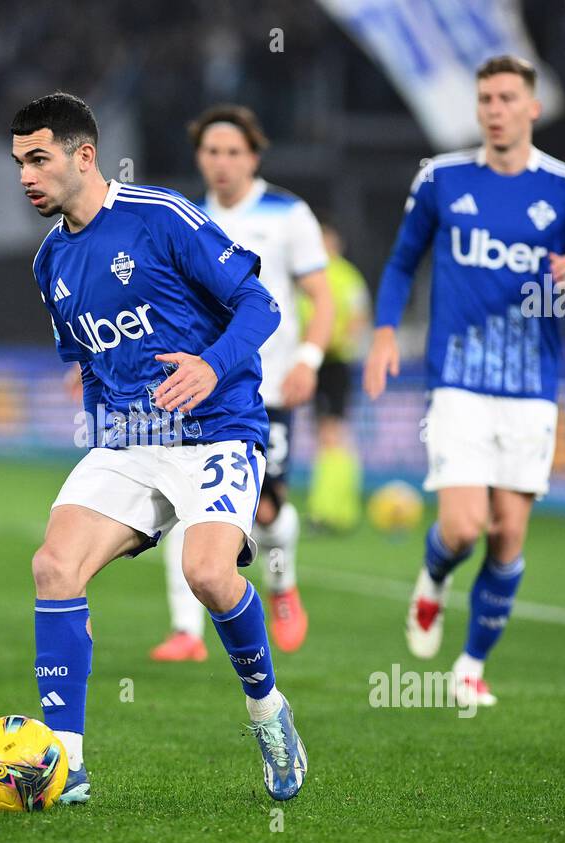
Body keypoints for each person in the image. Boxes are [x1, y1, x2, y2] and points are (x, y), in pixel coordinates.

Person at [14, 92, 307, 802]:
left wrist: (209, 365)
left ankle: (268, 712)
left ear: (84, 156)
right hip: (131, 442)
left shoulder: (160, 215)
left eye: (38, 159)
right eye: (19, 161)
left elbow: (260, 305)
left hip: (216, 429)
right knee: (54, 565)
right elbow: (88, 363)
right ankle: (66, 762)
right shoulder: (51, 262)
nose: (25, 175)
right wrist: (98, 439)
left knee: (209, 574)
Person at [364, 55, 565, 706]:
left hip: (531, 385)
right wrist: (383, 330)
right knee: (464, 527)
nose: (494, 108)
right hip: (457, 378)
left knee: (509, 534)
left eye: (508, 97)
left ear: (532, 108)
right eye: (485, 97)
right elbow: (403, 261)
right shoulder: (442, 178)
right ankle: (433, 578)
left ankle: (469, 668)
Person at [151, 104, 334, 664]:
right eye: (212, 152)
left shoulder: (288, 214)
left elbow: (320, 295)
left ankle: (280, 582)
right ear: (199, 157)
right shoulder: (185, 219)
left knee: (266, 511)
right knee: (184, 499)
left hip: (270, 386)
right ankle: (187, 630)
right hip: (199, 387)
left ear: (253, 156)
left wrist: (309, 357)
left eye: (233, 152)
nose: (222, 163)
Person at [301, 222, 369, 533]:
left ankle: (332, 511)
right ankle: (336, 509)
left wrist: (339, 341)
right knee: (327, 436)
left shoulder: (345, 275)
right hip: (314, 362)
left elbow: (358, 317)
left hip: (335, 363)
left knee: (332, 433)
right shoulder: (307, 275)